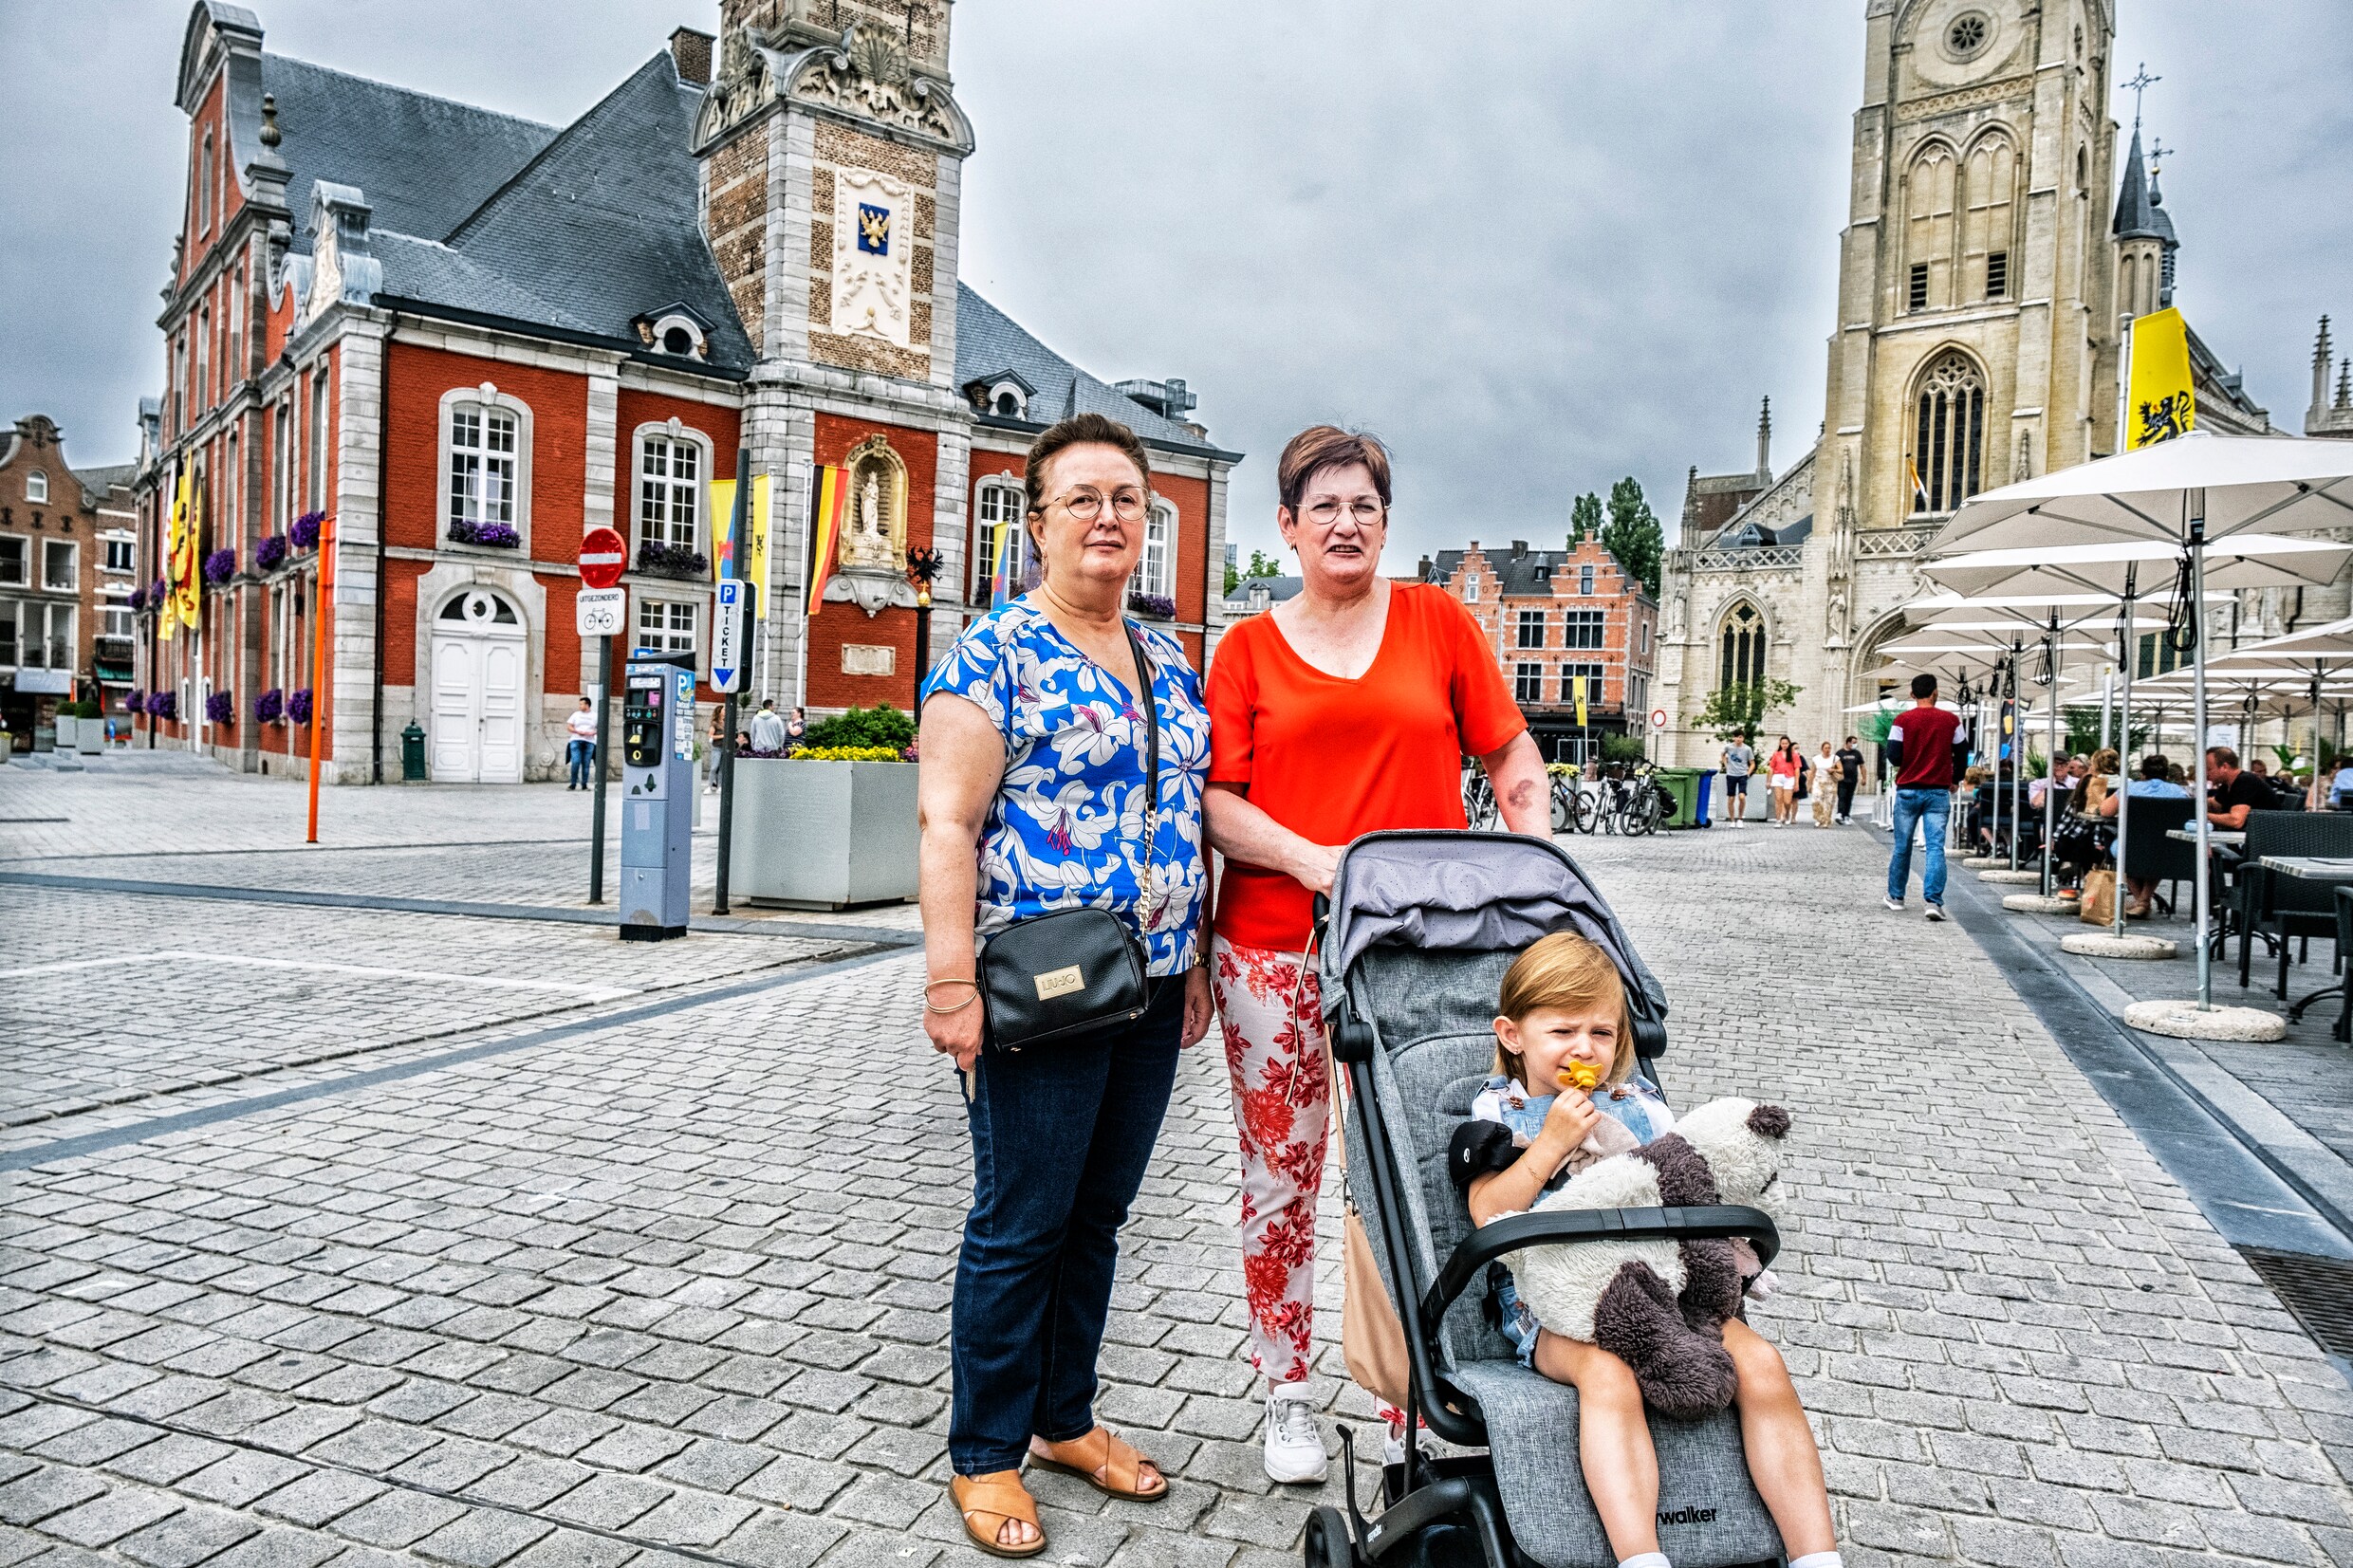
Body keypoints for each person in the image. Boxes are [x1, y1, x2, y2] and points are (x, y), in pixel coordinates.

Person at [1203, 424, 1549, 1484]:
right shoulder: (1247, 649)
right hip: (1275, 951)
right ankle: (1286, 1391)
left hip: (1417, 952)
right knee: (1283, 1175)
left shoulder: (1437, 621)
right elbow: (1217, 802)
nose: (1346, 524)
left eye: (1364, 506)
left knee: (1413, 1164)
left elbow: (1510, 752)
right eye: (1325, 506)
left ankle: (1424, 1381)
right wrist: (1313, 861)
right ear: (1287, 525)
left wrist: (1532, 864)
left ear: (1386, 522)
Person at [917, 412, 1214, 1558]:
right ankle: (985, 1452)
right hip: (1038, 986)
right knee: (1021, 1222)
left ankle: (1063, 1419)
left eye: (1126, 499)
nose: (1107, 517)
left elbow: (1184, 812)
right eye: (1081, 499)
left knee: (1096, 1216)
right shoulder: (992, 654)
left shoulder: (1166, 658)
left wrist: (1194, 954)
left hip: (1151, 980)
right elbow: (948, 824)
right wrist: (951, 986)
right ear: (1035, 523)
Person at [1451, 933, 1841, 1568]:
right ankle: (1640, 1556)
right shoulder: (1499, 1110)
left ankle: (1816, 1555)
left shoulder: (1641, 1107)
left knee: (1761, 1362)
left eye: (1601, 1032)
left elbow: (1688, 1179)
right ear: (1513, 1035)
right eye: (1562, 1031)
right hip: (1554, 1307)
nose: (1584, 1048)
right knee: (1607, 1373)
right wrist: (1550, 1144)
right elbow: (1488, 1213)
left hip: (1669, 1292)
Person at [1885, 673, 1965, 921]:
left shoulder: (1902, 720)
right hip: (1938, 791)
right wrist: (1956, 778)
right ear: (1935, 692)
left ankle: (1896, 897)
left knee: (1902, 846)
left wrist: (1911, 759)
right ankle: (1933, 901)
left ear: (1912, 694)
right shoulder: (1951, 721)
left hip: (1908, 790)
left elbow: (1893, 756)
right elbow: (1962, 752)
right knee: (1935, 847)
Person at [2098, 753, 2189, 918]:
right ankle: (2143, 900)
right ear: (2166, 775)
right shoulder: (2179, 792)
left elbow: (2105, 811)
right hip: (2167, 847)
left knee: (2122, 851)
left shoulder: (2130, 788)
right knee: (2156, 852)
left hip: (2131, 846)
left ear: (2142, 774)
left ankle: (2142, 901)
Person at [2205, 746, 2270, 832]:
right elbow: (2216, 804)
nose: (2206, 773)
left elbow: (2236, 821)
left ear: (2224, 767)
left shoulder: (2245, 782)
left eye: (2209, 769)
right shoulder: (2227, 785)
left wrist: (2202, 816)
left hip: (2263, 836)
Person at [1720, 733, 1754, 827]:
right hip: (1731, 775)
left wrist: (1748, 773)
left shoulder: (1747, 749)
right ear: (1733, 738)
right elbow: (1722, 754)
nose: (1738, 739)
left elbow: (1752, 763)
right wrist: (1726, 765)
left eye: (1740, 737)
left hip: (1742, 775)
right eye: (1736, 737)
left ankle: (1740, 818)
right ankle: (1732, 820)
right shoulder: (1728, 747)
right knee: (1731, 798)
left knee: (1742, 797)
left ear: (1743, 738)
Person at [1767, 737, 1800, 827]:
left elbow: (1797, 769)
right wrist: (1769, 781)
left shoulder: (1794, 755)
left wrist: (1796, 783)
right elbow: (1771, 768)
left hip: (1789, 778)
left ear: (1789, 744)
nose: (1784, 745)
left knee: (1787, 801)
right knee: (1778, 799)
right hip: (1778, 777)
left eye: (1786, 743)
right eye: (1783, 743)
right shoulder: (1776, 754)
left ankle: (1787, 813)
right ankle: (1778, 820)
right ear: (1780, 744)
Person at [565, 697, 598, 789]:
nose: (579, 706)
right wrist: (577, 731)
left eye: (581, 704)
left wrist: (593, 733)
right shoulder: (576, 715)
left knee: (586, 764)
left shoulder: (595, 716)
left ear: (587, 705)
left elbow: (600, 728)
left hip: (589, 741)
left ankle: (584, 784)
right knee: (575, 762)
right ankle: (573, 783)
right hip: (576, 740)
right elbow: (569, 726)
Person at [1834, 736, 1865, 823]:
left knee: (1849, 798)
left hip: (1853, 779)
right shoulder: (1840, 753)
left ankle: (1846, 815)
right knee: (1842, 796)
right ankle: (1840, 813)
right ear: (1848, 743)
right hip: (1842, 779)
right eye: (1853, 742)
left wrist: (1864, 778)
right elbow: (1834, 765)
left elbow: (1862, 766)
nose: (1855, 744)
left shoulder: (1857, 753)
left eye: (1856, 743)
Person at [1811, 742, 1840, 827]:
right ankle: (1819, 818)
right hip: (1818, 781)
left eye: (1829, 748)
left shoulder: (1835, 758)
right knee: (1816, 800)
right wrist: (1809, 784)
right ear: (1822, 749)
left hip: (1830, 781)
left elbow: (1841, 769)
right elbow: (1812, 772)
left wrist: (1833, 770)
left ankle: (1826, 820)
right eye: (1826, 748)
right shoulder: (1816, 758)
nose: (1828, 750)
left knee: (1828, 801)